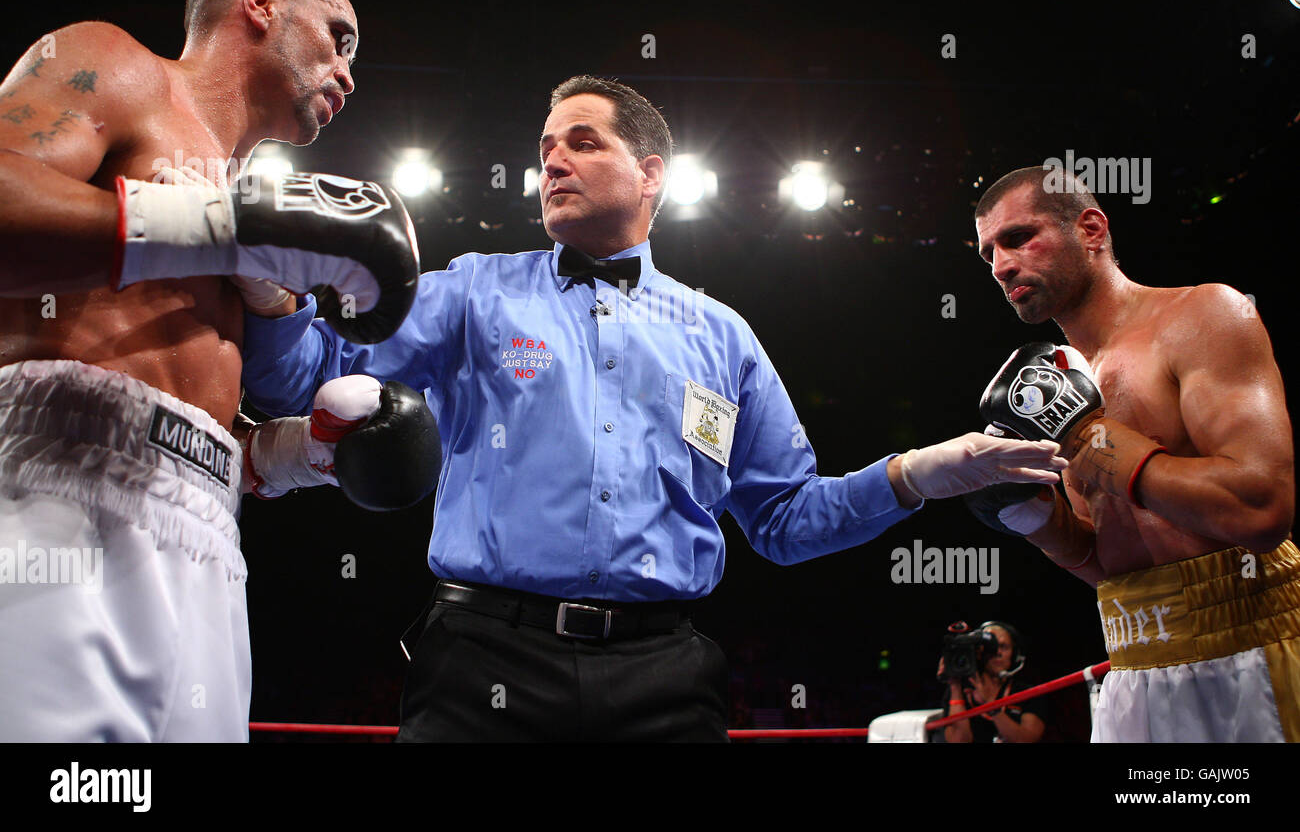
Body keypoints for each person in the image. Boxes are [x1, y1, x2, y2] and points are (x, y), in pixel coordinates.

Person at [241, 75, 1067, 742]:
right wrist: (272, 294)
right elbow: (307, 383)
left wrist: (921, 474)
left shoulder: (723, 337)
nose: (552, 162)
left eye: (582, 141)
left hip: (662, 678)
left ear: (651, 173)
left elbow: (783, 519)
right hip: (481, 664)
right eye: (544, 149)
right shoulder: (473, 290)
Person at [0, 0, 428, 741]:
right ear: (261, 4)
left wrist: (291, 454)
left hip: (207, 551)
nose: (349, 71)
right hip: (53, 514)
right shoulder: (116, 65)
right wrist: (222, 231)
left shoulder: (248, 213)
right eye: (339, 36)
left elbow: (174, 420)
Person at [969, 165, 1297, 742]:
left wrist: (1090, 440)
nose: (1000, 266)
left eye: (1018, 238)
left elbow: (1261, 510)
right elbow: (1104, 562)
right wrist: (1032, 517)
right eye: (988, 252)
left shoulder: (1202, 316)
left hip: (1252, 646)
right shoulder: (1057, 380)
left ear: (1091, 230)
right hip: (1134, 663)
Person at [936, 621, 1045, 743]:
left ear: (1014, 654)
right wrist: (955, 686)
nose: (998, 653)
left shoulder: (1028, 694)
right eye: (991, 648)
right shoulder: (960, 691)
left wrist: (991, 706)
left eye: (1004, 647)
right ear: (978, 652)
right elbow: (959, 740)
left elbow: (1026, 740)